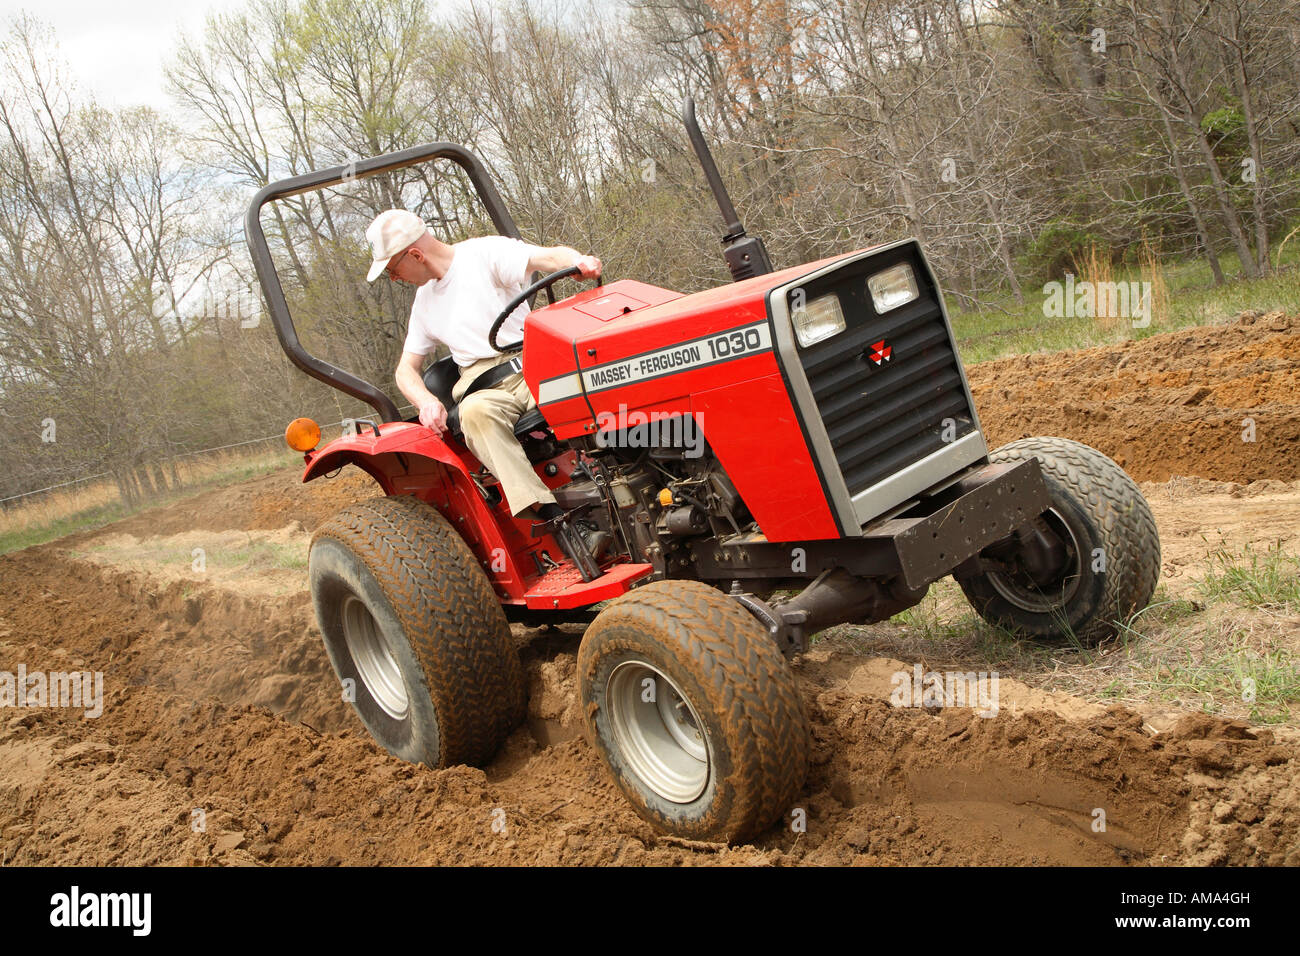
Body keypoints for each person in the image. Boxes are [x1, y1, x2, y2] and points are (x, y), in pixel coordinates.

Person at [367, 208, 601, 528]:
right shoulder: (423, 304)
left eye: (393, 270)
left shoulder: (482, 254)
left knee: (592, 377)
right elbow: (405, 369)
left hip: (532, 366)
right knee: (474, 413)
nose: (395, 279)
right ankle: (560, 521)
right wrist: (426, 402)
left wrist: (577, 261)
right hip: (483, 387)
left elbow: (546, 257)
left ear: (415, 254)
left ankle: (611, 470)